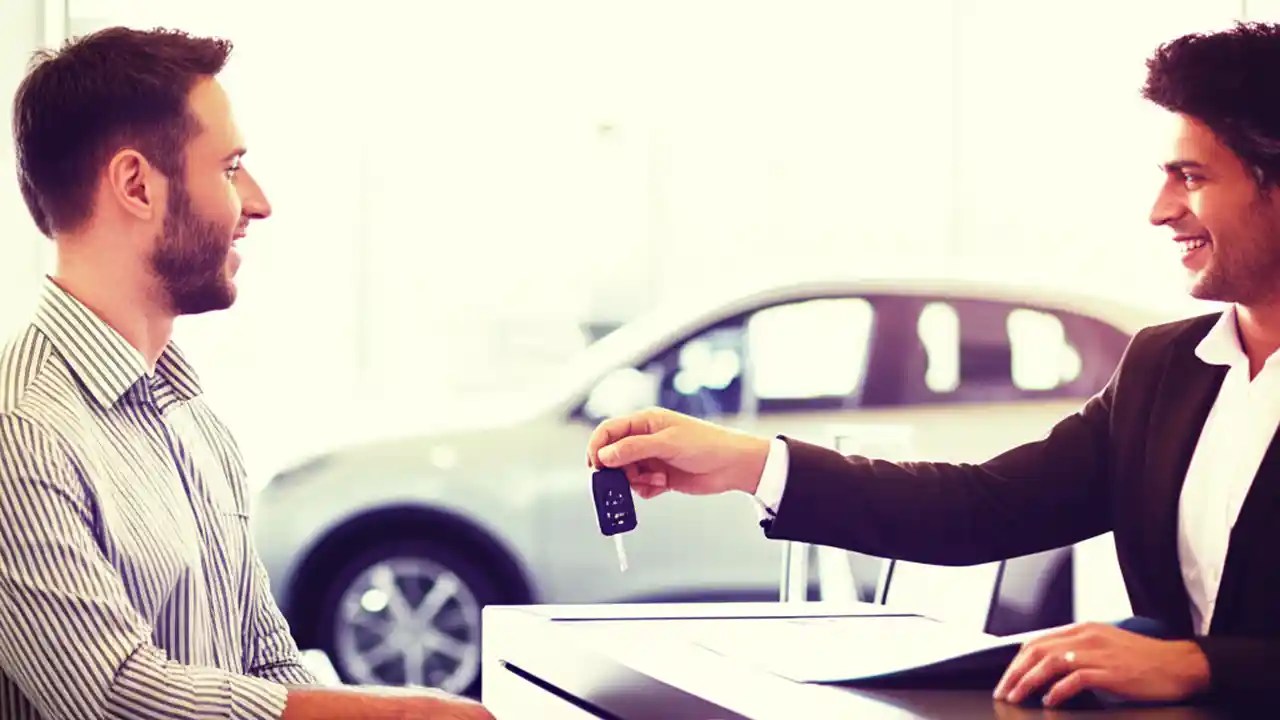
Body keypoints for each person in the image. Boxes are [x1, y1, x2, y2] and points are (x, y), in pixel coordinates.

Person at [588, 22, 1280, 711]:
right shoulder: (1167, 369)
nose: (1160, 210)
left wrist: (1201, 665)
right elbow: (984, 509)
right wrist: (746, 464)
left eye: (1191, 177)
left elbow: (1207, 655)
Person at [1, 27, 492, 720]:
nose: (257, 202)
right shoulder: (22, 431)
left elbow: (263, 661)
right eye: (231, 168)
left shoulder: (194, 422)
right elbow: (111, 697)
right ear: (137, 185)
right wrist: (399, 716)